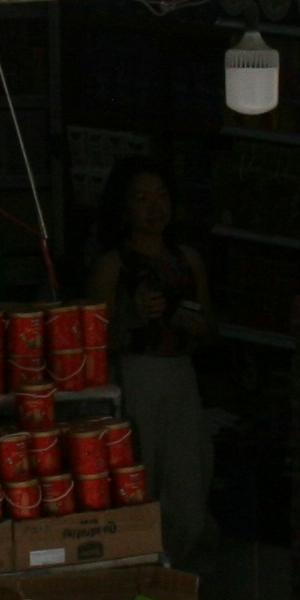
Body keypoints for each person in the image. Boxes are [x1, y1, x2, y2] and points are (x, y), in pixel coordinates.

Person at [86, 160, 213, 558]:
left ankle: (175, 566)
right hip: (133, 377)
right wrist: (133, 315)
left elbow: (210, 327)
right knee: (138, 478)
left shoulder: (187, 259)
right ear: (123, 209)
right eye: (142, 198)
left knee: (186, 481)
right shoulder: (112, 266)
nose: (154, 206)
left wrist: (196, 325)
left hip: (179, 377)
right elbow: (95, 339)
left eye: (161, 196)